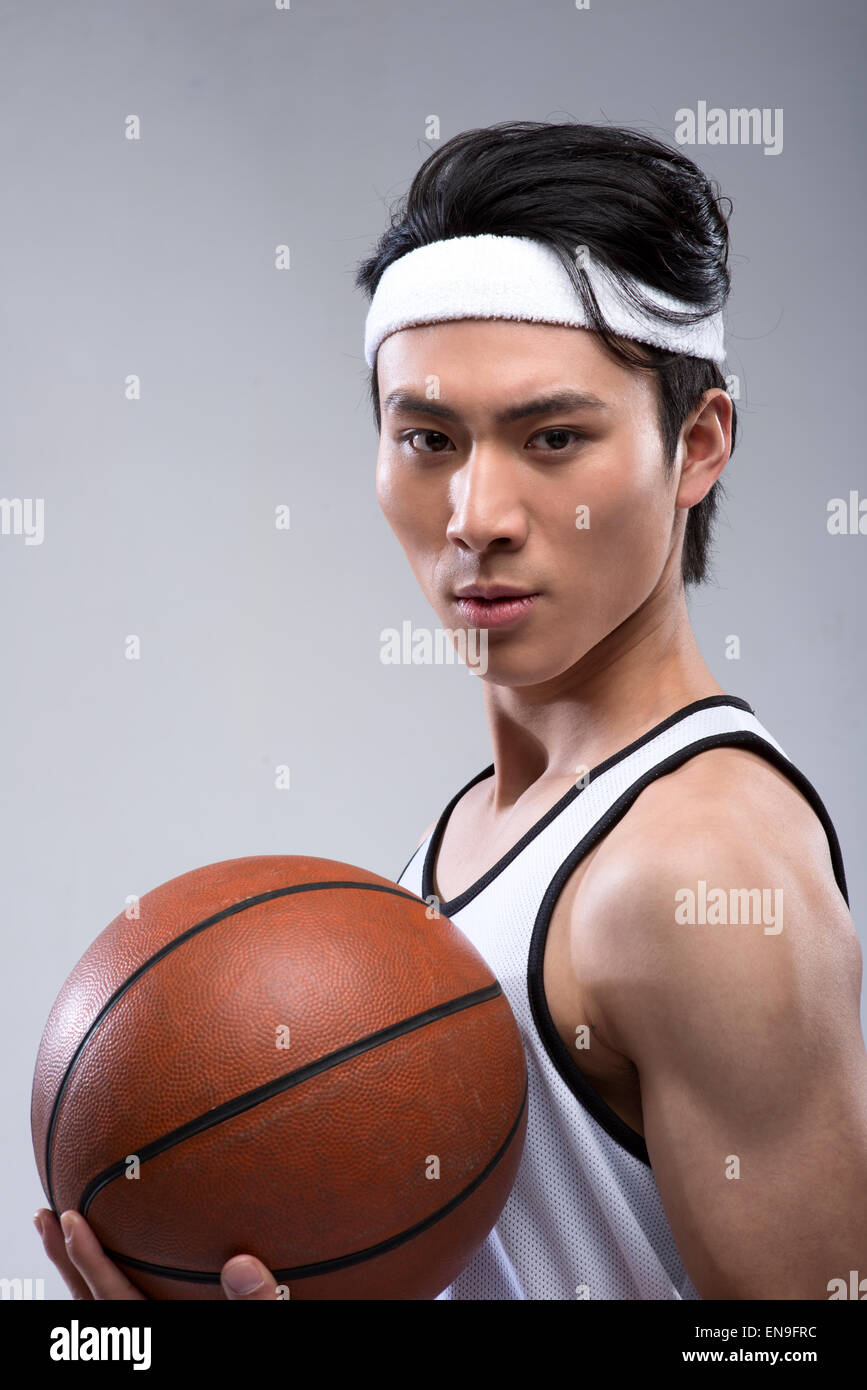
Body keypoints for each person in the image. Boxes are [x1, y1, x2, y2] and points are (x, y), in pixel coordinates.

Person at [35, 119, 867, 1301]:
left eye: (554, 437)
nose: (477, 511)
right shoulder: (489, 821)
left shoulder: (699, 870)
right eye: (427, 437)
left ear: (698, 445)